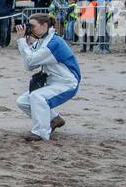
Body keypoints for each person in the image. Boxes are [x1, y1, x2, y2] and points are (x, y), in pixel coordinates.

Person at [15, 13, 80, 143]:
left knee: (37, 97)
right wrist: (25, 44)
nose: (30, 29)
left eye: (32, 26)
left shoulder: (54, 43)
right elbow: (29, 66)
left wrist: (22, 42)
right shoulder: (41, 41)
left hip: (67, 83)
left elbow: (31, 59)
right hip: (53, 81)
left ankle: (41, 132)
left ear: (44, 25)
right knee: (23, 101)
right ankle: (54, 119)